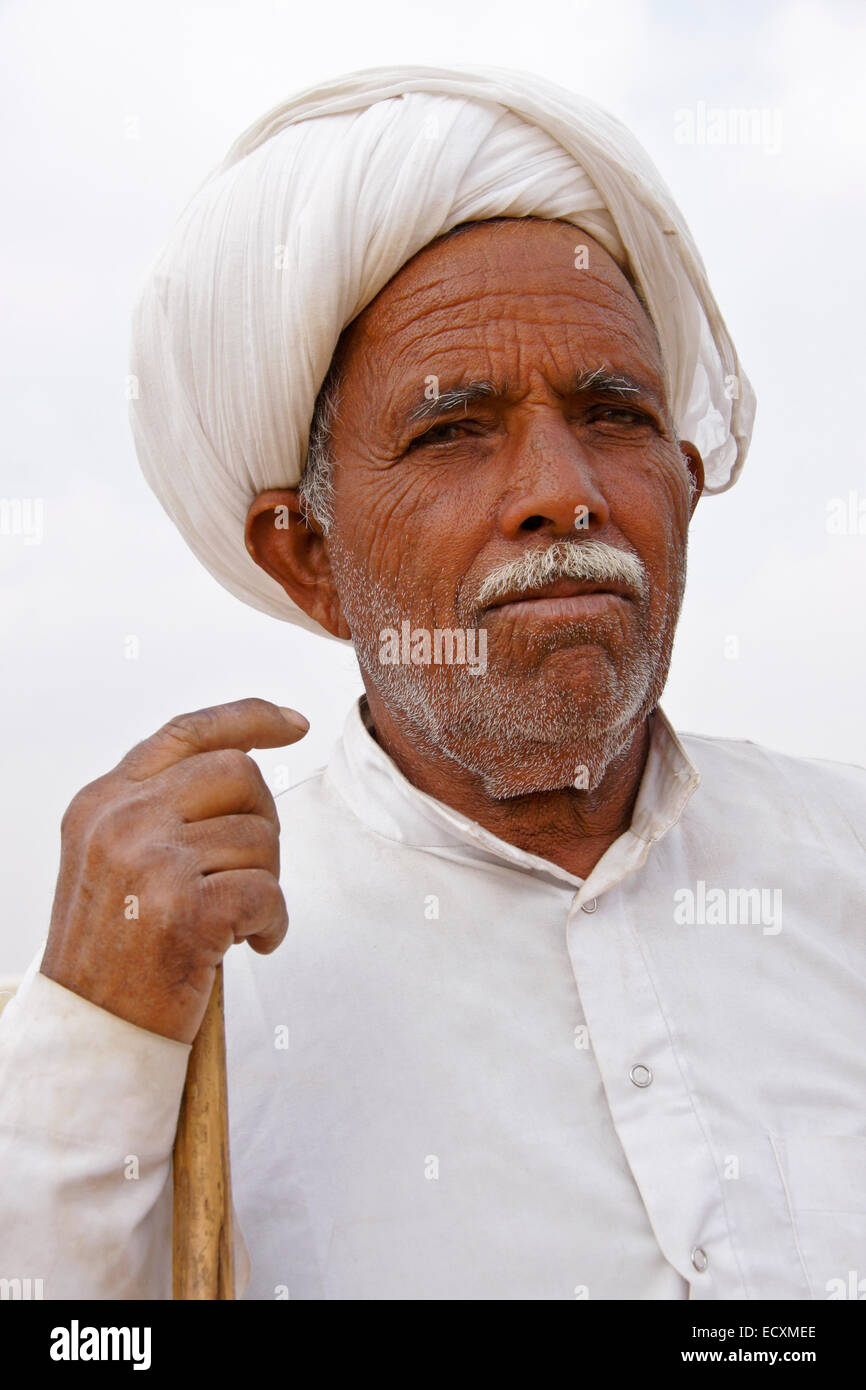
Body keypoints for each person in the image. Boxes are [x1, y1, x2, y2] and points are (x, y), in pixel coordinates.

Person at [1, 65, 863, 1302]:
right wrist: (94, 1039)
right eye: (452, 429)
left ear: (680, 483)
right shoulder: (193, 967)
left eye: (611, 413)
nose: (562, 490)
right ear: (309, 558)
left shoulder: (842, 861)